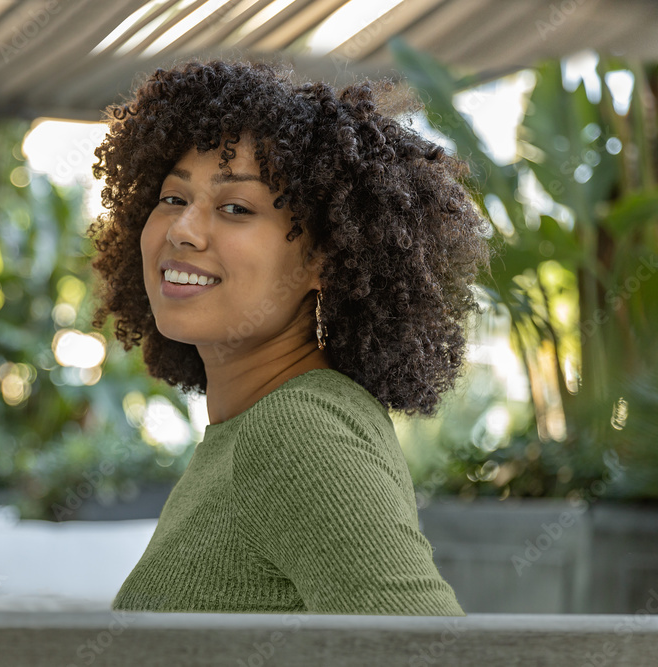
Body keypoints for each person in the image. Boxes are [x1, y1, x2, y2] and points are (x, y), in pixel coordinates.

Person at [85, 59, 496, 615]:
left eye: (235, 208)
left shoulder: (293, 433)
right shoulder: (255, 427)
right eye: (174, 199)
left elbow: (431, 651)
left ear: (325, 259)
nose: (182, 230)